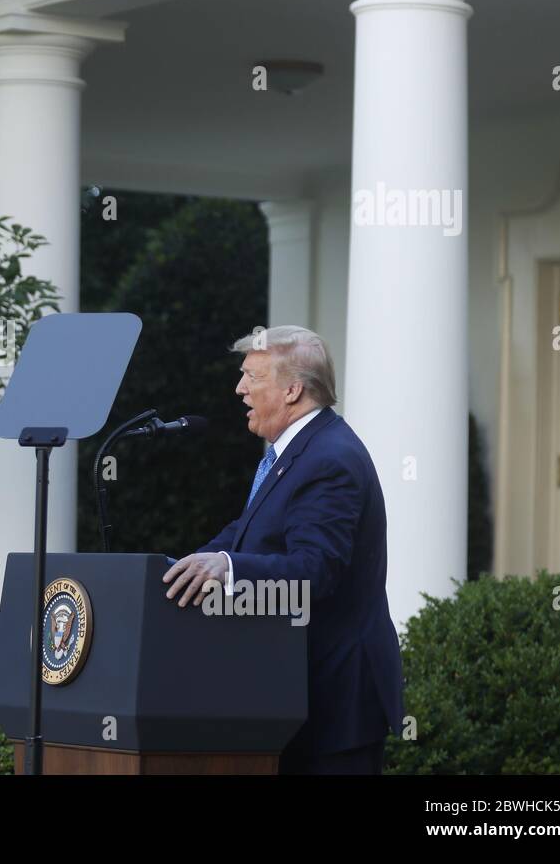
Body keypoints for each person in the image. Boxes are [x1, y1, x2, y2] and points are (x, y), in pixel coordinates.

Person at [162, 325, 403, 774]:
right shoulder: (296, 451)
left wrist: (227, 569)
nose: (239, 389)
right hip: (292, 694)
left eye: (252, 377)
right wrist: (178, 568)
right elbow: (247, 530)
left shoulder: (329, 458)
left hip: (334, 701)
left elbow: (314, 570)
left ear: (292, 389)